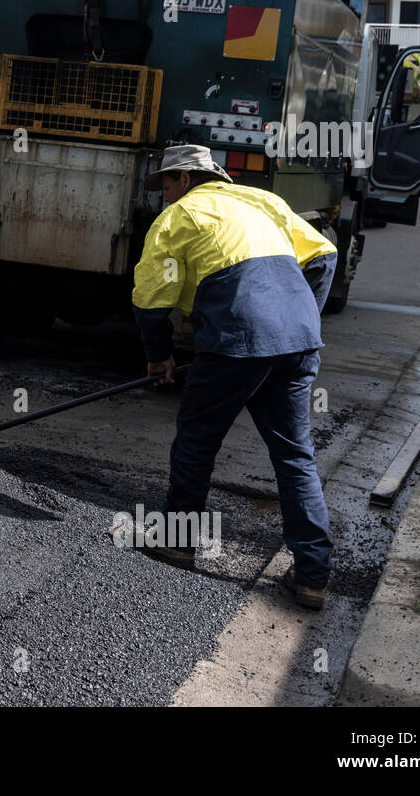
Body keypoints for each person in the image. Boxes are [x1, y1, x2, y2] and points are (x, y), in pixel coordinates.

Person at [131, 144, 338, 608]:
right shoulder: (261, 201)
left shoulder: (178, 217)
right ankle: (312, 577)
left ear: (185, 179)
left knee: (197, 438)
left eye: (165, 184)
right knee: (294, 453)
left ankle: (178, 541)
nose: (163, 195)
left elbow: (151, 301)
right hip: (297, 340)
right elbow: (325, 257)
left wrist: (158, 357)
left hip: (239, 339)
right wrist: (301, 321)